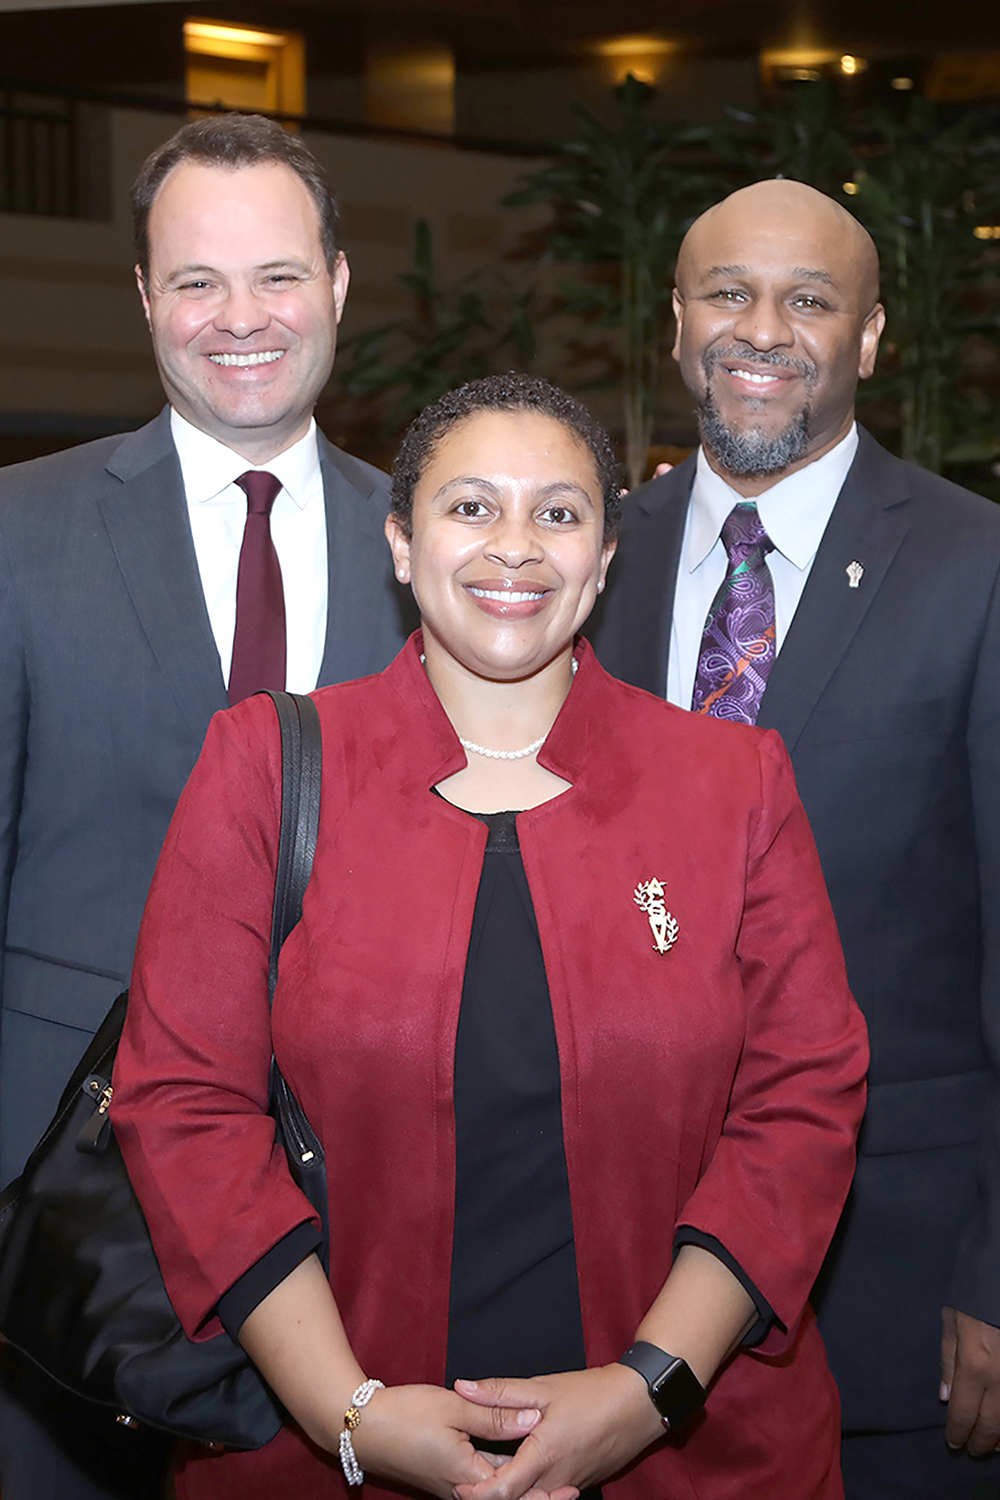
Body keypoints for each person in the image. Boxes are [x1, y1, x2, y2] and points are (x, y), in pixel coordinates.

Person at [112, 371, 867, 1500]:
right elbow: (184, 1105)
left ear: (604, 557)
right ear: (402, 545)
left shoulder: (730, 783)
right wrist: (347, 1415)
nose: (513, 547)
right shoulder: (265, 768)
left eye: (557, 514)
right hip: (330, 1445)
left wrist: (645, 1386)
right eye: (469, 508)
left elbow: (803, 1101)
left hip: (688, 1450)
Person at [0, 114, 414, 1500]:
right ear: (142, 299)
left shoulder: (438, 556)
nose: (240, 319)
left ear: (340, 288)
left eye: (279, 276)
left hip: (356, 1230)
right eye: (196, 281)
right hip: (57, 1220)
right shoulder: (17, 536)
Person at [589, 177, 1000, 1499]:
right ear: (675, 323)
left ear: (870, 339)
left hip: (899, 1295)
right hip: (604, 1286)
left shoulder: (975, 569)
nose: (761, 329)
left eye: (809, 300)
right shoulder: (583, 563)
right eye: (728, 293)